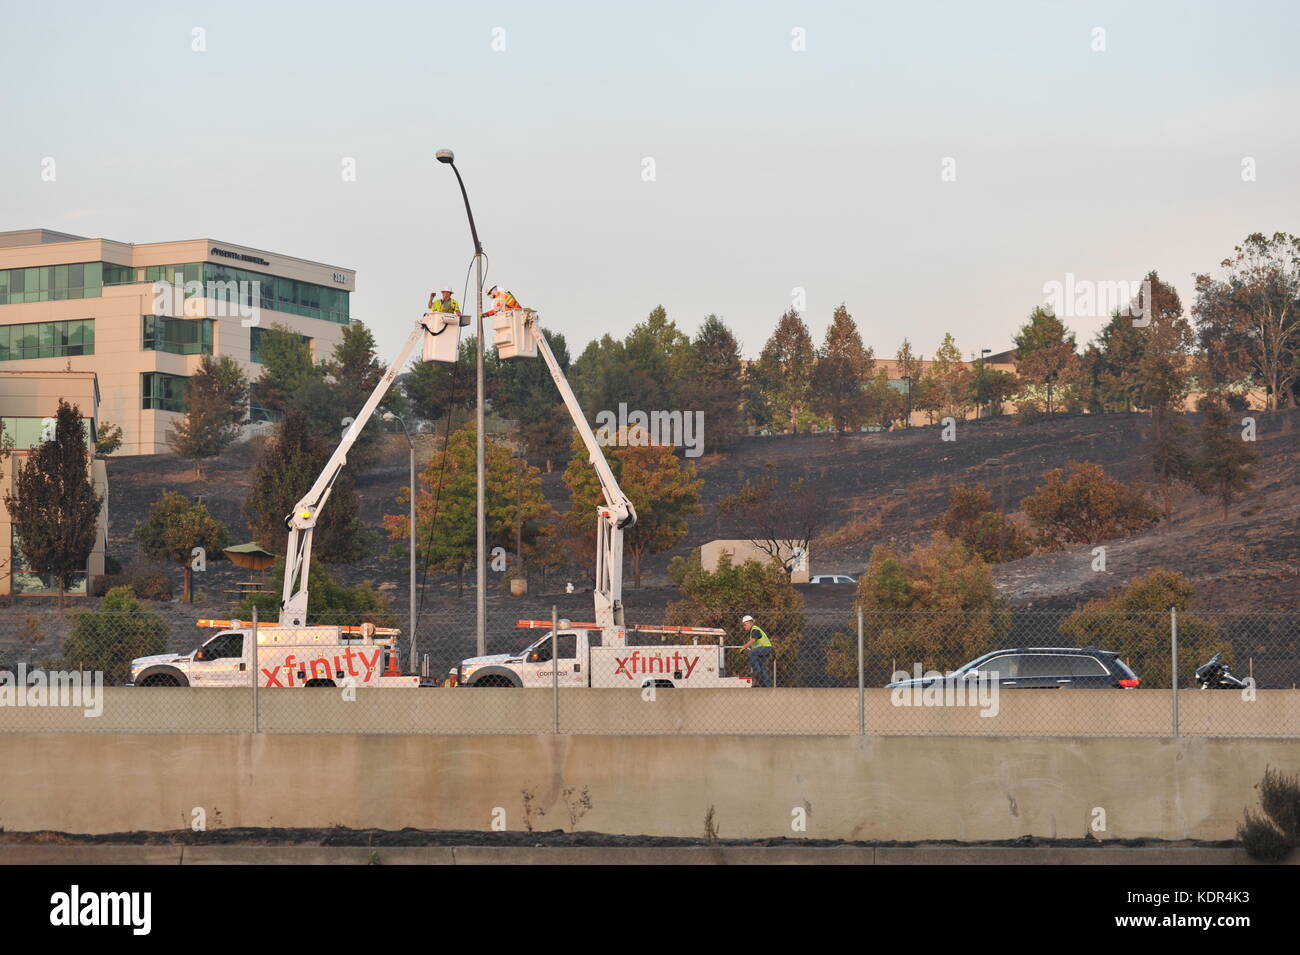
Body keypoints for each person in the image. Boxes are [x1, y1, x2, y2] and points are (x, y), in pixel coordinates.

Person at [740, 614, 772, 687]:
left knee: (751, 653)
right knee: (763, 669)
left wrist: (744, 647)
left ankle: (756, 670)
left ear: (750, 623)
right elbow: (755, 645)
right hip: (763, 650)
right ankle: (767, 686)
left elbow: (754, 639)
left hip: (765, 648)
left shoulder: (755, 629)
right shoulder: (752, 631)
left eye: (745, 625)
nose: (744, 627)